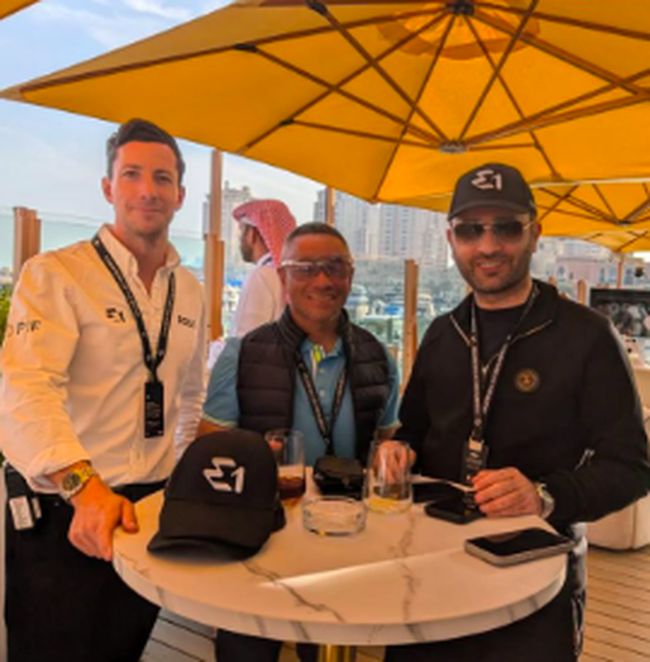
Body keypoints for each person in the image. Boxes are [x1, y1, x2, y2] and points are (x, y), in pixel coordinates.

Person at [385, 163, 650, 662]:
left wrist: (545, 496)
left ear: (534, 232)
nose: (488, 246)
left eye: (505, 227)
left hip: (535, 579)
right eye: (471, 230)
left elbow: (631, 467)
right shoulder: (443, 333)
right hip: (430, 570)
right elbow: (414, 430)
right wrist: (400, 450)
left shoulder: (587, 336)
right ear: (451, 238)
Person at [0, 118, 207, 662]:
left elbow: (188, 398)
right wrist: (83, 487)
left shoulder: (190, 289)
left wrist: (180, 482)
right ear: (108, 188)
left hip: (147, 512)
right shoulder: (56, 274)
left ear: (180, 196)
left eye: (162, 178)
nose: (148, 190)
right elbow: (25, 389)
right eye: (132, 174)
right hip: (65, 508)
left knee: (123, 647)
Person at [200, 222, 400, 662]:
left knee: (329, 651)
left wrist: (394, 459)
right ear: (282, 277)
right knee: (246, 651)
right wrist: (254, 460)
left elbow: (387, 445)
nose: (323, 280)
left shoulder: (379, 358)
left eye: (335, 267)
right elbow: (211, 452)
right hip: (260, 539)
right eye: (306, 268)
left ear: (350, 275)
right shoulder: (243, 354)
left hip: (344, 539)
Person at [231, 198, 297, 336]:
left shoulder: (263, 275)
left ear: (252, 234)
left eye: (242, 231)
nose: (239, 239)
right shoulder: (291, 274)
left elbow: (245, 339)